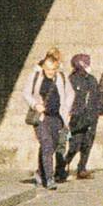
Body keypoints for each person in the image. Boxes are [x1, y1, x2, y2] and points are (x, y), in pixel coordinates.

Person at [26, 50, 67, 191]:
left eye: (53, 69)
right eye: (48, 69)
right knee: (47, 144)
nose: (51, 72)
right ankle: (49, 178)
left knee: (52, 146)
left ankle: (40, 172)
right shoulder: (36, 76)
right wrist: (35, 105)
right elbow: (26, 93)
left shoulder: (60, 77)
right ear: (43, 67)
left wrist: (66, 115)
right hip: (42, 117)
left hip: (56, 117)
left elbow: (66, 95)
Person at [65, 52, 103, 181]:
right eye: (86, 63)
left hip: (91, 116)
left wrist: (100, 111)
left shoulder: (92, 79)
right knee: (75, 144)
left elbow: (97, 96)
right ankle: (64, 165)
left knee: (88, 143)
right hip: (77, 116)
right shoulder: (72, 79)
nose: (88, 66)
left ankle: (82, 168)